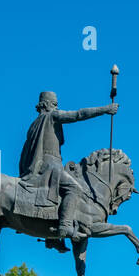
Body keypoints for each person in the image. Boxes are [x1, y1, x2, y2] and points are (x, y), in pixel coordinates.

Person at [19, 90, 118, 240]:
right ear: (47, 105)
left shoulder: (34, 124)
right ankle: (65, 226)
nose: (57, 107)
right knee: (74, 188)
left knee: (60, 193)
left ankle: (52, 240)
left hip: (37, 167)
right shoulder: (51, 116)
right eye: (55, 104)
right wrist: (105, 109)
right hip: (50, 165)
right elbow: (78, 114)